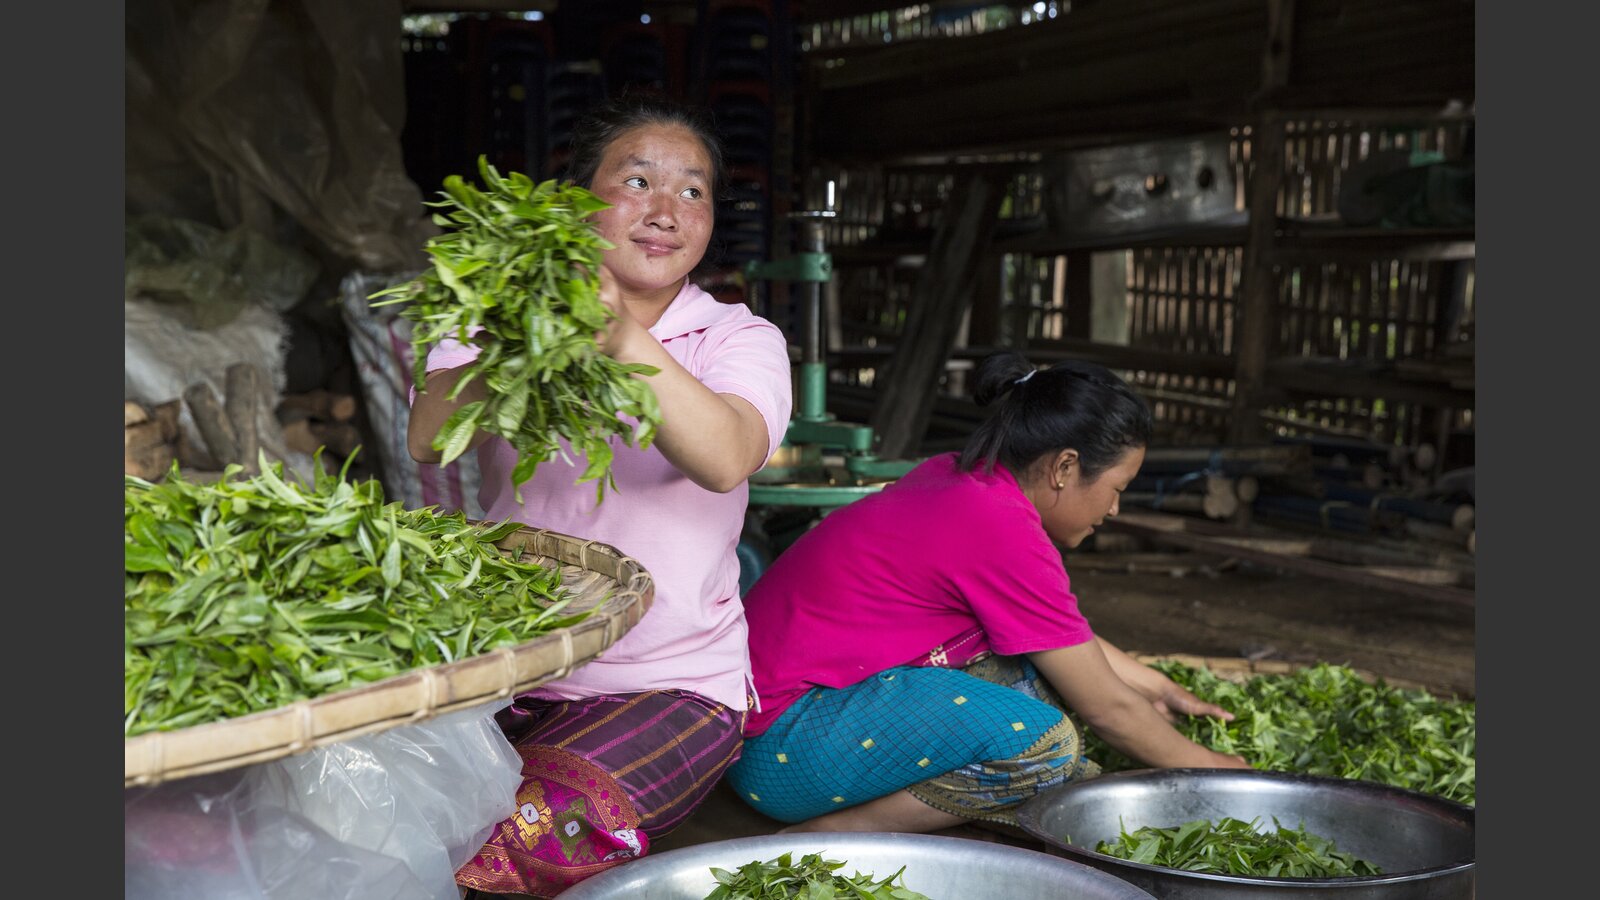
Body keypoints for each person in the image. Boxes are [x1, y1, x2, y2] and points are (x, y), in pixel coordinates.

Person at [407, 93, 792, 897]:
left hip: (669, 685)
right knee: (380, 828)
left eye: (693, 192)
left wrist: (621, 336)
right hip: (504, 670)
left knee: (499, 856)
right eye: (639, 181)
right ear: (575, 203)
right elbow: (430, 436)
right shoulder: (497, 319)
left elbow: (725, 456)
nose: (666, 210)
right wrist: (527, 326)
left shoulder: (737, 339)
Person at [727, 351, 1249, 834]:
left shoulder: (965, 481)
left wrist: (1152, 685)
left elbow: (1057, 637)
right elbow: (1109, 710)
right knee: (1046, 746)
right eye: (1117, 489)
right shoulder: (999, 527)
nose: (1113, 510)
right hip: (780, 749)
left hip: (755, 723)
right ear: (1065, 467)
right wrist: (1223, 775)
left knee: (1035, 681)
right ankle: (835, 836)